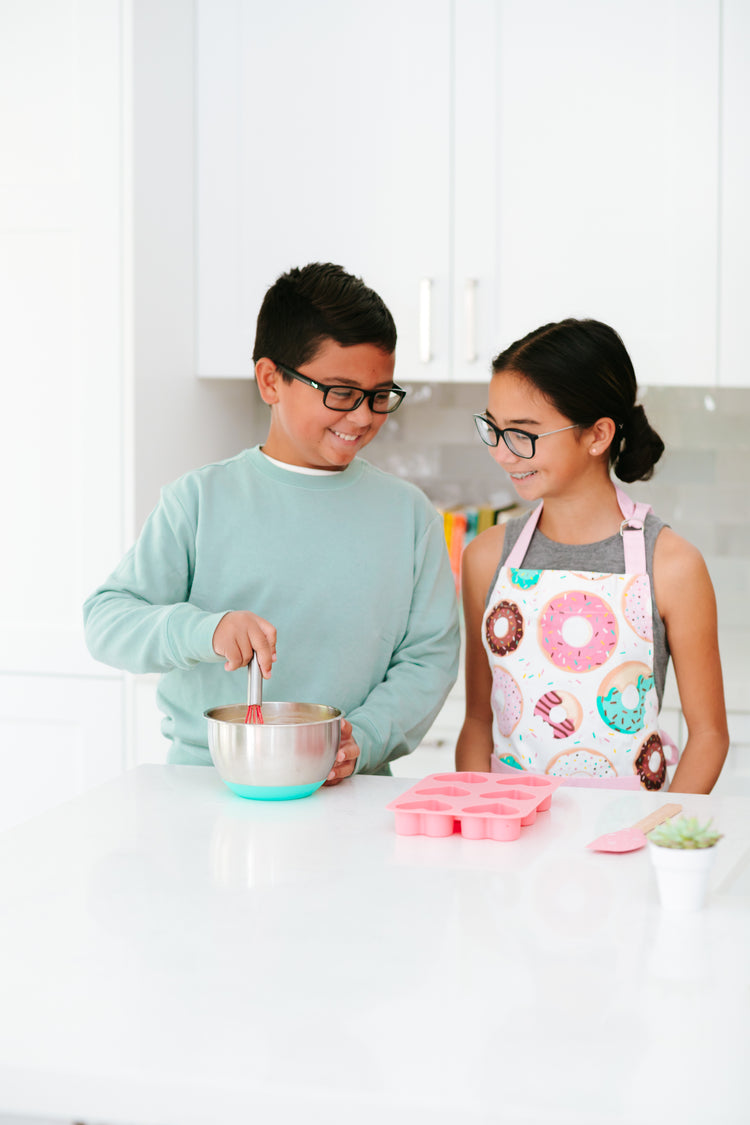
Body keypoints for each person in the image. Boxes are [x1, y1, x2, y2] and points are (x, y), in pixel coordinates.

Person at [84, 262, 460, 781]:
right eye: (341, 393)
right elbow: (107, 623)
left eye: (379, 396)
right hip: (206, 786)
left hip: (351, 793)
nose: (363, 417)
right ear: (270, 380)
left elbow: (429, 658)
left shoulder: (409, 514)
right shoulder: (200, 499)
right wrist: (206, 630)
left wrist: (363, 739)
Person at [456, 318, 728, 793]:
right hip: (511, 830)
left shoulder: (671, 565)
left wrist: (657, 835)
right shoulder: (485, 558)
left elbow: (709, 737)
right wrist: (485, 819)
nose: (503, 452)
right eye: (495, 429)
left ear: (597, 435)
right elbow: (478, 722)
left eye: (524, 433)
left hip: (631, 833)